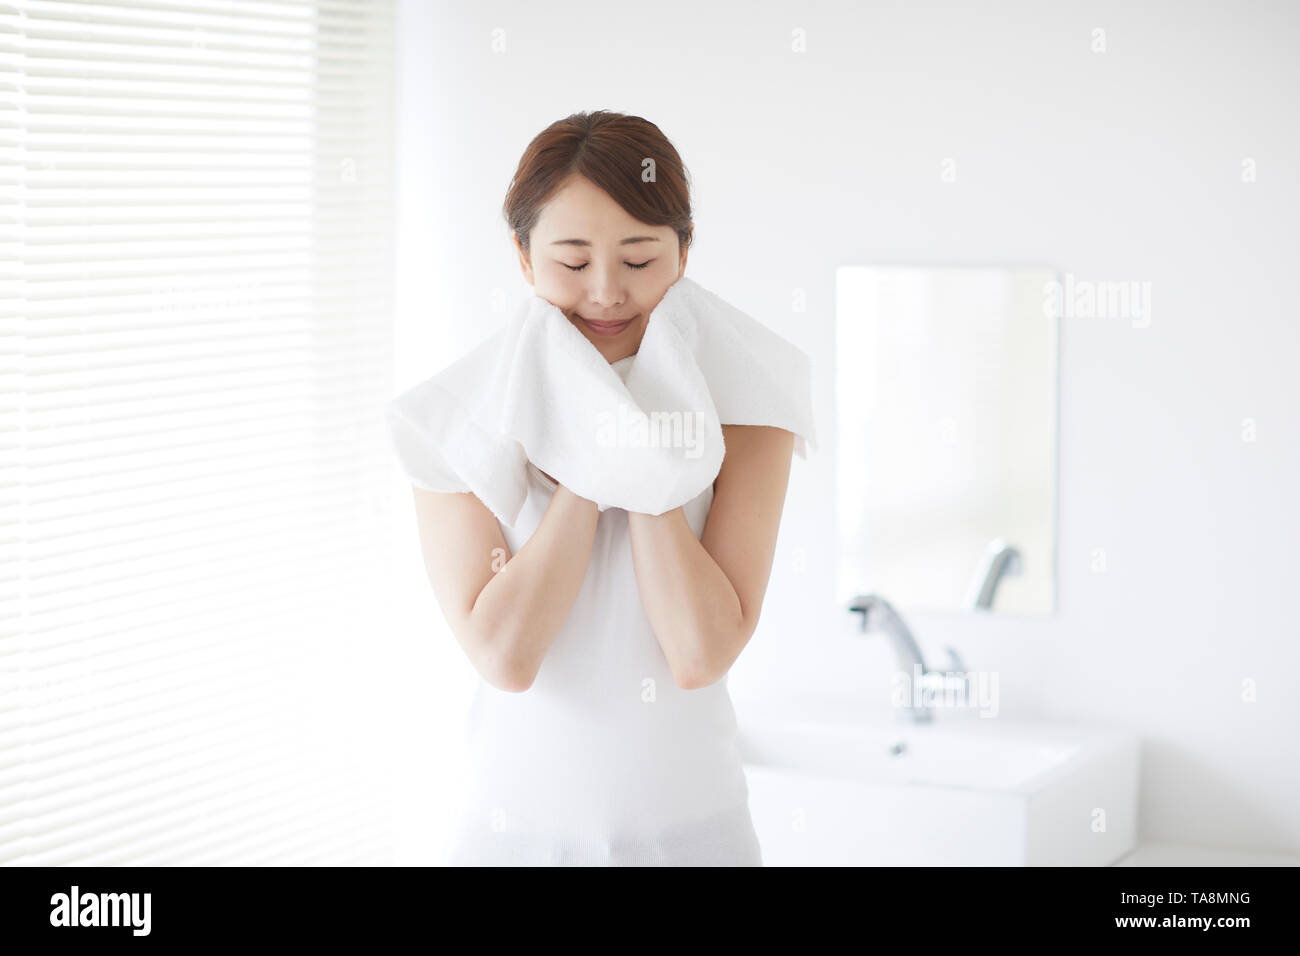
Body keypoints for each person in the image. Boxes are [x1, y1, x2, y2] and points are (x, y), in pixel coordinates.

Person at [401, 110, 796, 865]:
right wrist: (590, 452)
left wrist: (642, 443)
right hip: (511, 834)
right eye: (573, 263)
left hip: (694, 836)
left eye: (640, 259)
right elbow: (508, 658)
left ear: (683, 253)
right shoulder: (454, 422)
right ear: (522, 256)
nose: (607, 292)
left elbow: (699, 654)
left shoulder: (749, 410)